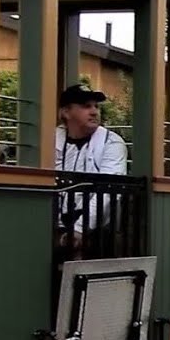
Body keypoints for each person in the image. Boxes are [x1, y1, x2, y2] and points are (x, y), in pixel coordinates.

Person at [54, 83, 128, 256]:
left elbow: (108, 191)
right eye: (86, 106)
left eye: (96, 106)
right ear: (65, 112)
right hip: (58, 224)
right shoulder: (53, 139)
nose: (94, 111)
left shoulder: (111, 142)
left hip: (97, 231)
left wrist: (80, 229)